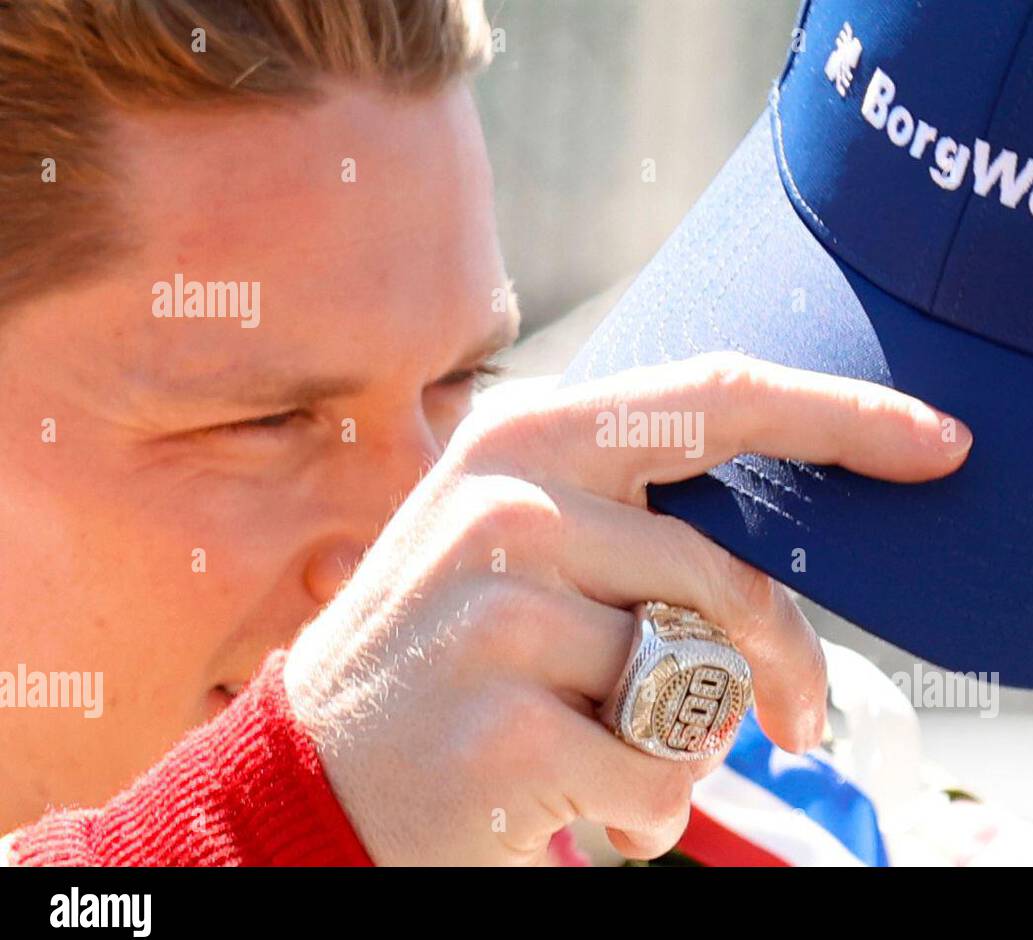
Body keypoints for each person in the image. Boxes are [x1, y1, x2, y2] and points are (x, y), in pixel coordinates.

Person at [0, 0, 971, 866]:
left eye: (457, 383)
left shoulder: (757, 807)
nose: (434, 527)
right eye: (260, 423)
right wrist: (293, 813)